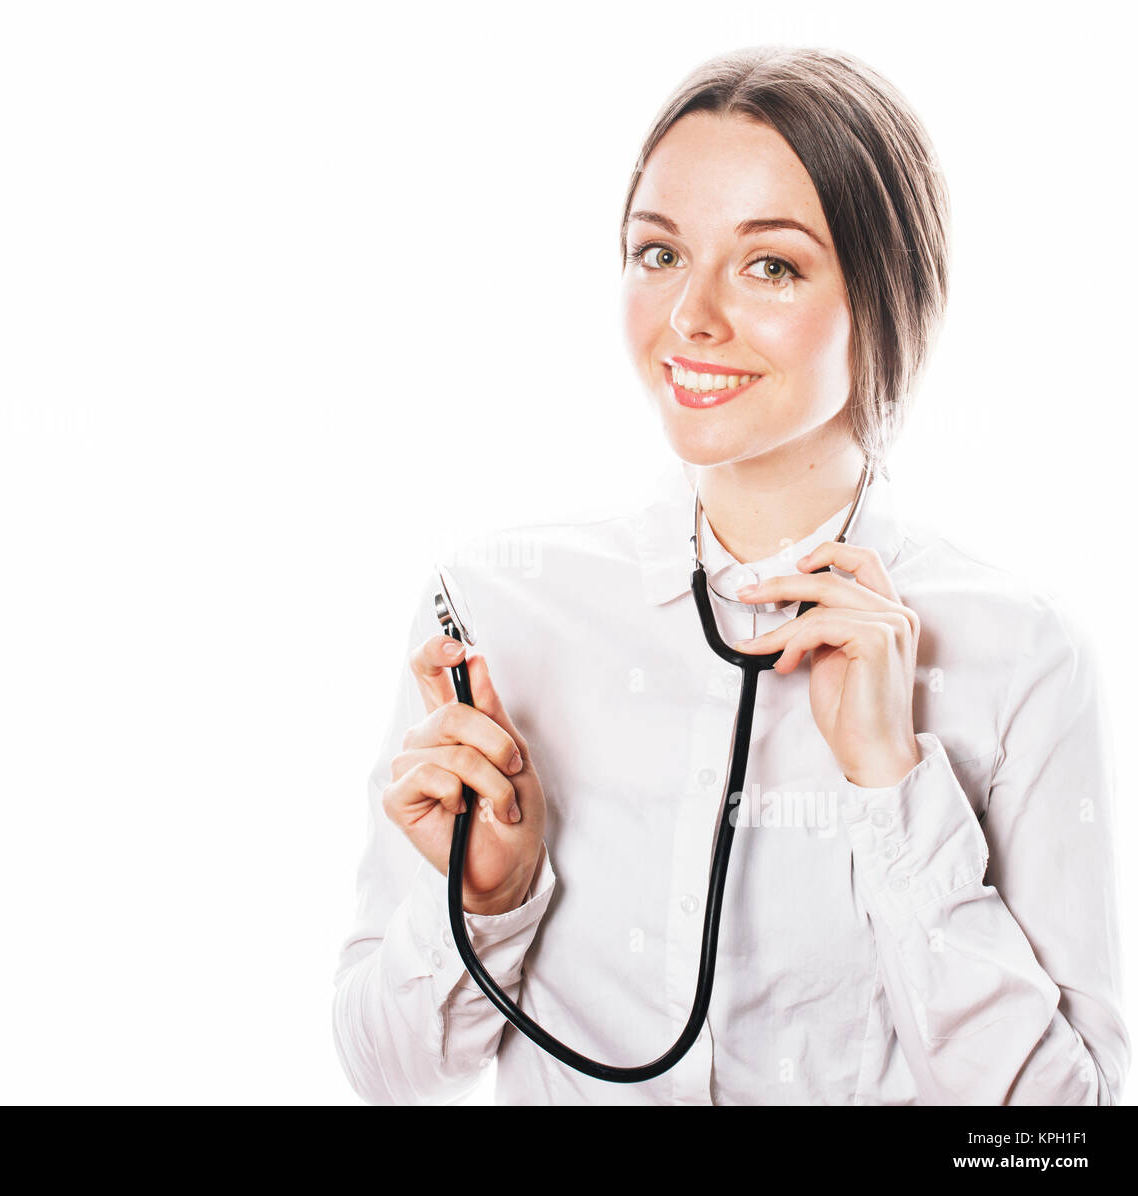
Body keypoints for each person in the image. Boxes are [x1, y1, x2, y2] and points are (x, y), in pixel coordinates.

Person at [330, 45, 1130, 1105]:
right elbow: (389, 1075)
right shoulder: (501, 615)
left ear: (885, 298)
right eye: (658, 253)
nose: (691, 318)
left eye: (770, 265)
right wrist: (488, 900)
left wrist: (892, 785)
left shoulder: (1017, 655)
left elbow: (1058, 1133)